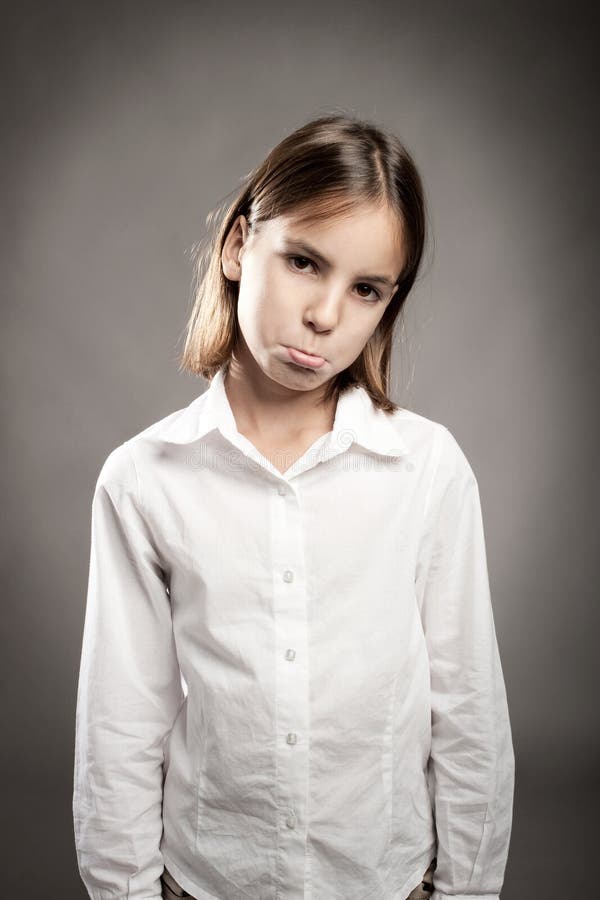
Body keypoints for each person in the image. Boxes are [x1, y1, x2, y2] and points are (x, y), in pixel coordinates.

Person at [73, 113, 515, 900]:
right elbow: (120, 727)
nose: (326, 317)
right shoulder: (144, 480)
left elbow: (468, 712)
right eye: (305, 262)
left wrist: (467, 891)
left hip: (387, 883)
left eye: (366, 289)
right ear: (239, 245)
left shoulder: (427, 469)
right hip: (207, 883)